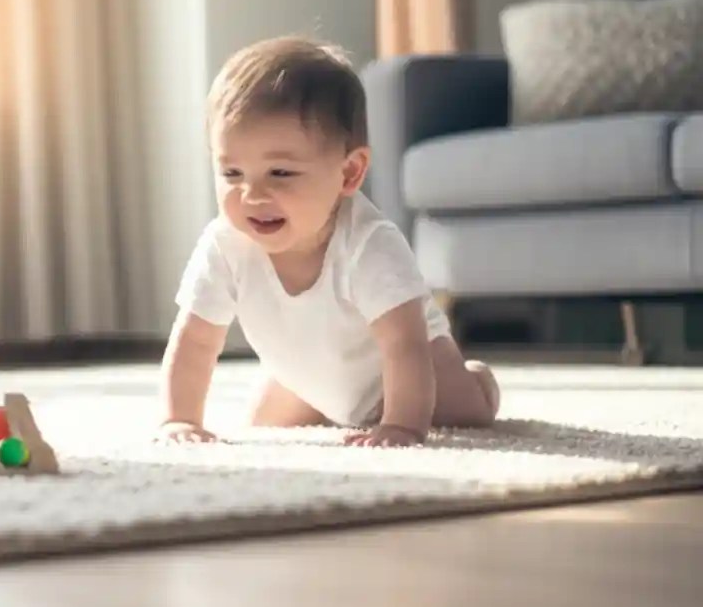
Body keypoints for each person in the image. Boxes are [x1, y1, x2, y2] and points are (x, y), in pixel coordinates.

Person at [160, 36, 498, 448]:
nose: (252, 195)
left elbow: (402, 344)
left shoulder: (370, 245)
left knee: (467, 412)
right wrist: (180, 419)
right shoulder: (224, 244)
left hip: (400, 369)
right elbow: (195, 340)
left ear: (350, 173)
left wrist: (401, 426)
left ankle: (478, 379)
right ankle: (327, 404)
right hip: (305, 376)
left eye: (280, 173)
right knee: (262, 428)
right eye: (232, 173)